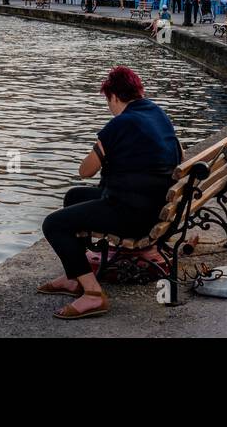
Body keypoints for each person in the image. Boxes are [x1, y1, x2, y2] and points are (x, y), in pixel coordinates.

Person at [39, 66, 181, 320]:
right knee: (73, 197)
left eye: (109, 101)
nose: (110, 107)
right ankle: (75, 277)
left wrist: (106, 145)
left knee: (54, 224)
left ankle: (93, 295)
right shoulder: (157, 113)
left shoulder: (121, 123)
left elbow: (86, 170)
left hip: (132, 215)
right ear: (140, 92)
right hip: (156, 206)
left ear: (114, 96)